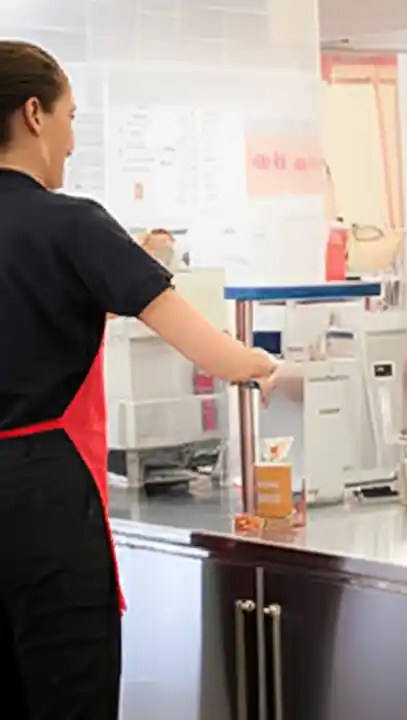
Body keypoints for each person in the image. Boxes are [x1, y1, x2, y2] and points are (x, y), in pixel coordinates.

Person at [0, 41, 280, 717]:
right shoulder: (71, 223)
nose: (71, 142)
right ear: (34, 114)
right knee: (68, 692)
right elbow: (215, 352)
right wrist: (267, 367)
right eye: (70, 117)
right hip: (44, 496)